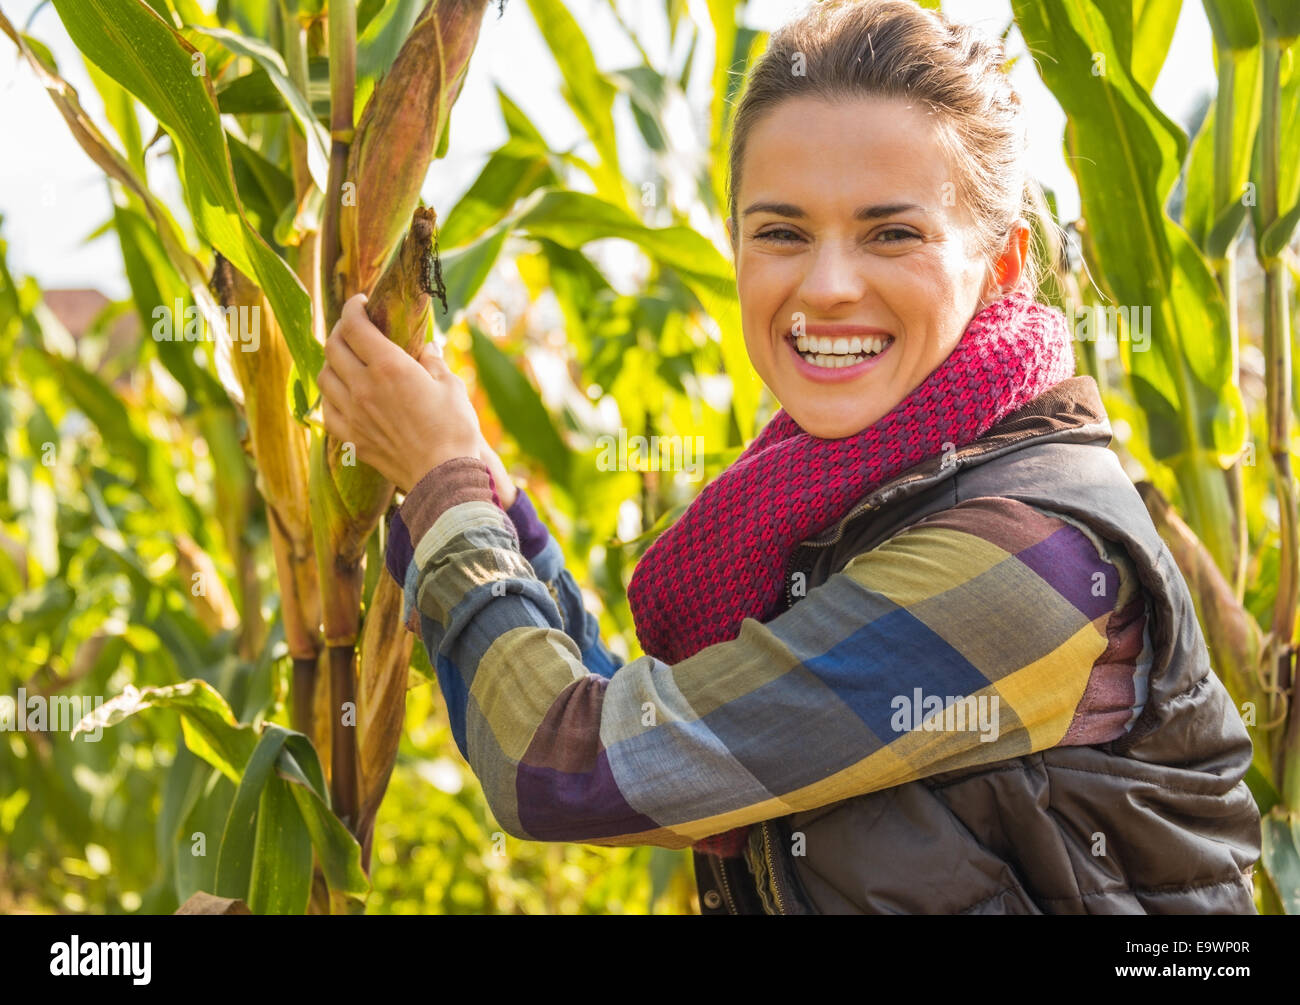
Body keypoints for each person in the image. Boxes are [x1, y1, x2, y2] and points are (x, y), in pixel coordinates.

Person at [318, 0, 1261, 914]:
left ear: (1004, 263)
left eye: (892, 232)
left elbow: (565, 769)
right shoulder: (871, 499)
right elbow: (661, 752)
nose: (829, 285)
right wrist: (483, 487)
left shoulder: (1032, 558)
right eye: (782, 232)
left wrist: (445, 489)